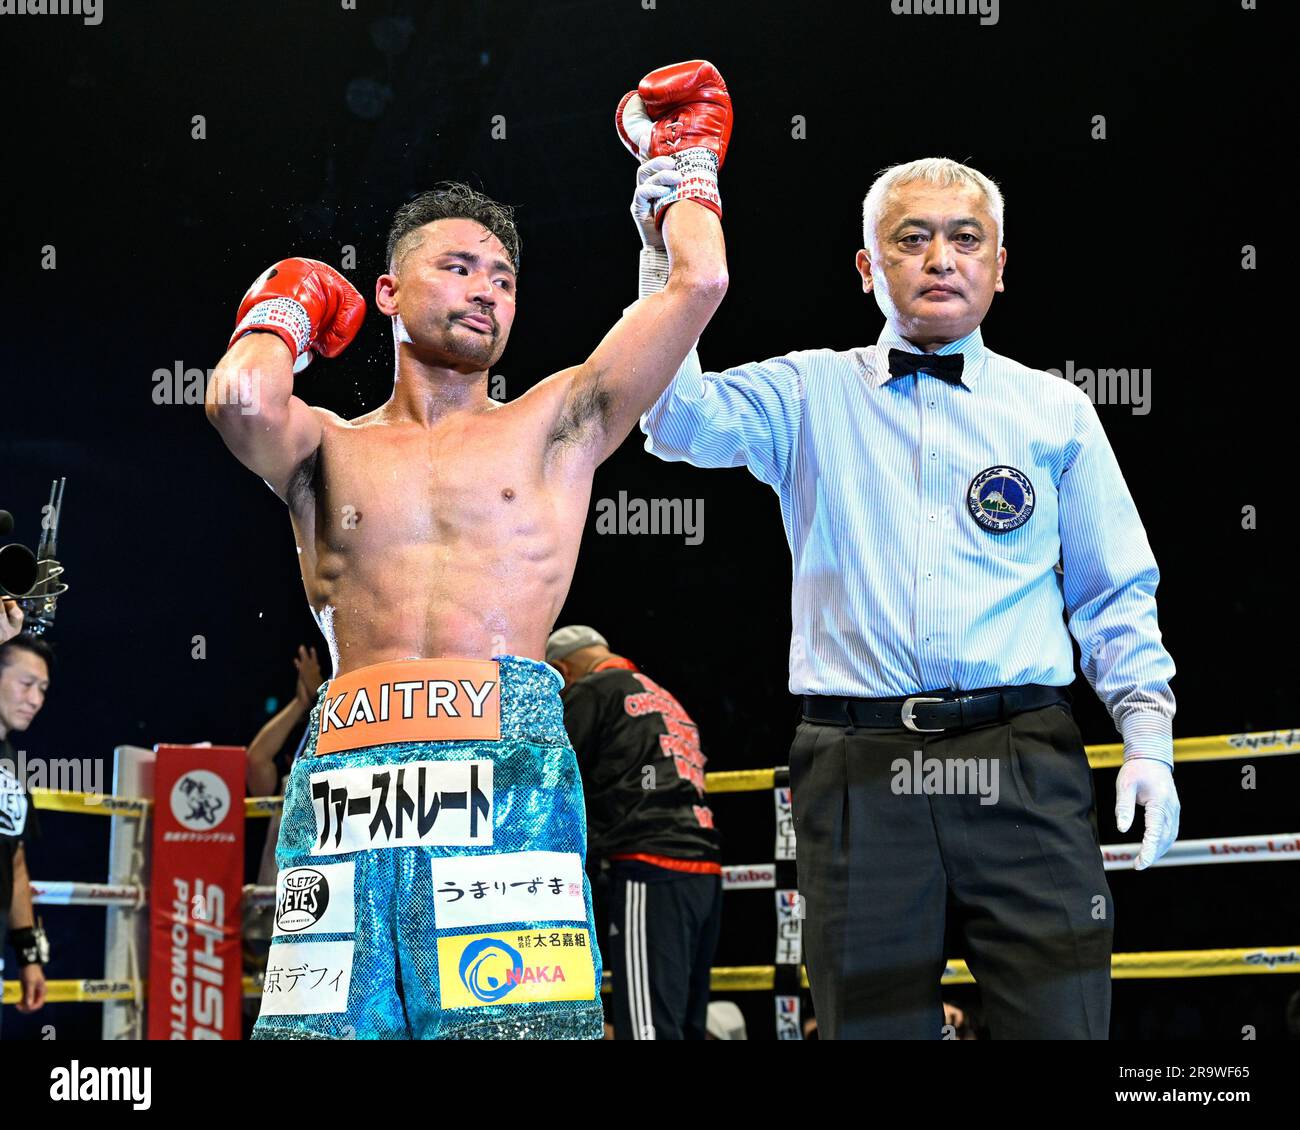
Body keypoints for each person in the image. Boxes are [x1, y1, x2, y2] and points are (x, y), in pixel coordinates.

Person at [205, 61, 732, 1039]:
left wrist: (684, 166)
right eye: (458, 266)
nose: (486, 289)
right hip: (347, 774)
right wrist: (286, 306)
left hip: (503, 764)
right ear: (389, 288)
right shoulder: (328, 446)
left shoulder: (554, 422)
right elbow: (239, 397)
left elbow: (699, 281)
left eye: (503, 277)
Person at [639, 157, 1180, 1039]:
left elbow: (1112, 593)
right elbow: (675, 420)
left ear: (1000, 266)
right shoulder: (808, 390)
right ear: (867, 267)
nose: (941, 259)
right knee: (869, 1033)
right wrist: (667, 256)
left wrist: (1148, 739)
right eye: (912, 239)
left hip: (1024, 758)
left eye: (966, 240)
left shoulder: (1055, 409)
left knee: (1063, 1025)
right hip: (858, 763)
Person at [547, 625, 722, 1040]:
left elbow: (554, 772)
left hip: (649, 864)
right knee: (686, 1024)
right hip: (703, 869)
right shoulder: (665, 697)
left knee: (647, 1029)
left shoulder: (594, 690)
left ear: (563, 670)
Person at [0, 632, 52, 1034]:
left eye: (43, 689)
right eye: (26, 684)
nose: (35, 699)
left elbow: (14, 863)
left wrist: (28, 954)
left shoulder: (14, 769)